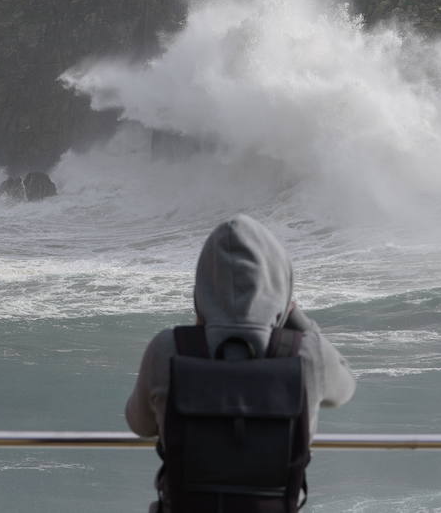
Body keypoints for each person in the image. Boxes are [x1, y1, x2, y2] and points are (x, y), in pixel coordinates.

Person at [125, 214, 356, 512]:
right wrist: (296, 319)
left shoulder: (168, 348)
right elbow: (346, 387)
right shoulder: (307, 354)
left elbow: (140, 424)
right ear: (280, 281)